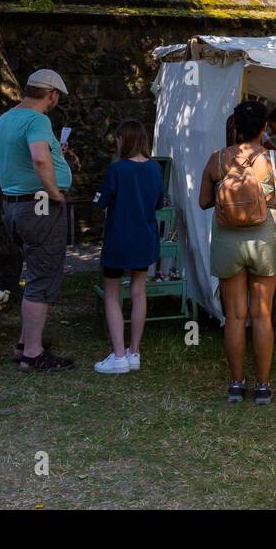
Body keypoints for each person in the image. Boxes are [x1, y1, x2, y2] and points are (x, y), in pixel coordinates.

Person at [199, 100, 276, 404]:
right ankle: (262, 386)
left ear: (235, 129)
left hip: (227, 243)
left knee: (234, 317)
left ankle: (235, 384)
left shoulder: (217, 160)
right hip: (264, 241)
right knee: (262, 314)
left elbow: (204, 201)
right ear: (263, 128)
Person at [0, 69, 75, 372]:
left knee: (34, 273)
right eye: (57, 97)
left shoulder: (6, 119)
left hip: (14, 206)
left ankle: (25, 343)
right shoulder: (37, 119)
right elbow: (39, 158)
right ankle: (33, 354)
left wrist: (56, 155)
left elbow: (28, 157)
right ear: (51, 95)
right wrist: (55, 193)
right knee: (42, 278)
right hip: (39, 206)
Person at [91, 120, 163, 375]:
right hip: (144, 237)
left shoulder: (117, 169)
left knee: (112, 293)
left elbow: (99, 202)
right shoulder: (155, 169)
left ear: (124, 139)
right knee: (139, 291)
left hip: (119, 239)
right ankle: (134, 352)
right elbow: (157, 203)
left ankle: (119, 354)